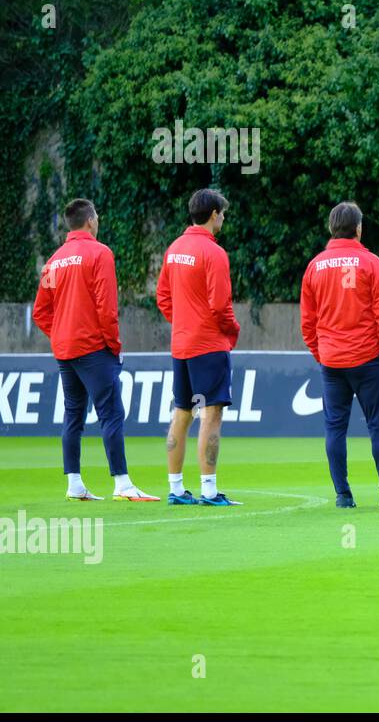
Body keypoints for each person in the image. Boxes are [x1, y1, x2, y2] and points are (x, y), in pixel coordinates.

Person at [33, 198, 153, 501]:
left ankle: (74, 483)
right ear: (90, 221)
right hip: (94, 348)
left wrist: (61, 334)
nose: (97, 220)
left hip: (66, 350)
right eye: (96, 216)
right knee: (111, 413)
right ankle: (123, 483)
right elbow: (106, 308)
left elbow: (40, 311)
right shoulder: (100, 253)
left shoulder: (54, 260)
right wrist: (114, 345)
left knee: (73, 414)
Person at [300, 202, 379, 509]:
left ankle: (343, 495)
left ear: (331, 228)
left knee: (335, 428)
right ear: (358, 228)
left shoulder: (315, 266)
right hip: (370, 358)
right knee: (378, 426)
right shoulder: (371, 262)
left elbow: (307, 321)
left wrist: (320, 353)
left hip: (332, 361)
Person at [155, 188, 242, 506]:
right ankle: (208, 490)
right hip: (208, 344)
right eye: (223, 214)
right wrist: (232, 330)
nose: (223, 219)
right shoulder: (214, 253)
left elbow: (162, 296)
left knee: (181, 412)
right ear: (214, 214)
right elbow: (220, 305)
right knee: (212, 415)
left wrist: (183, 323)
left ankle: (176, 489)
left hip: (181, 344)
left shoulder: (175, 248)